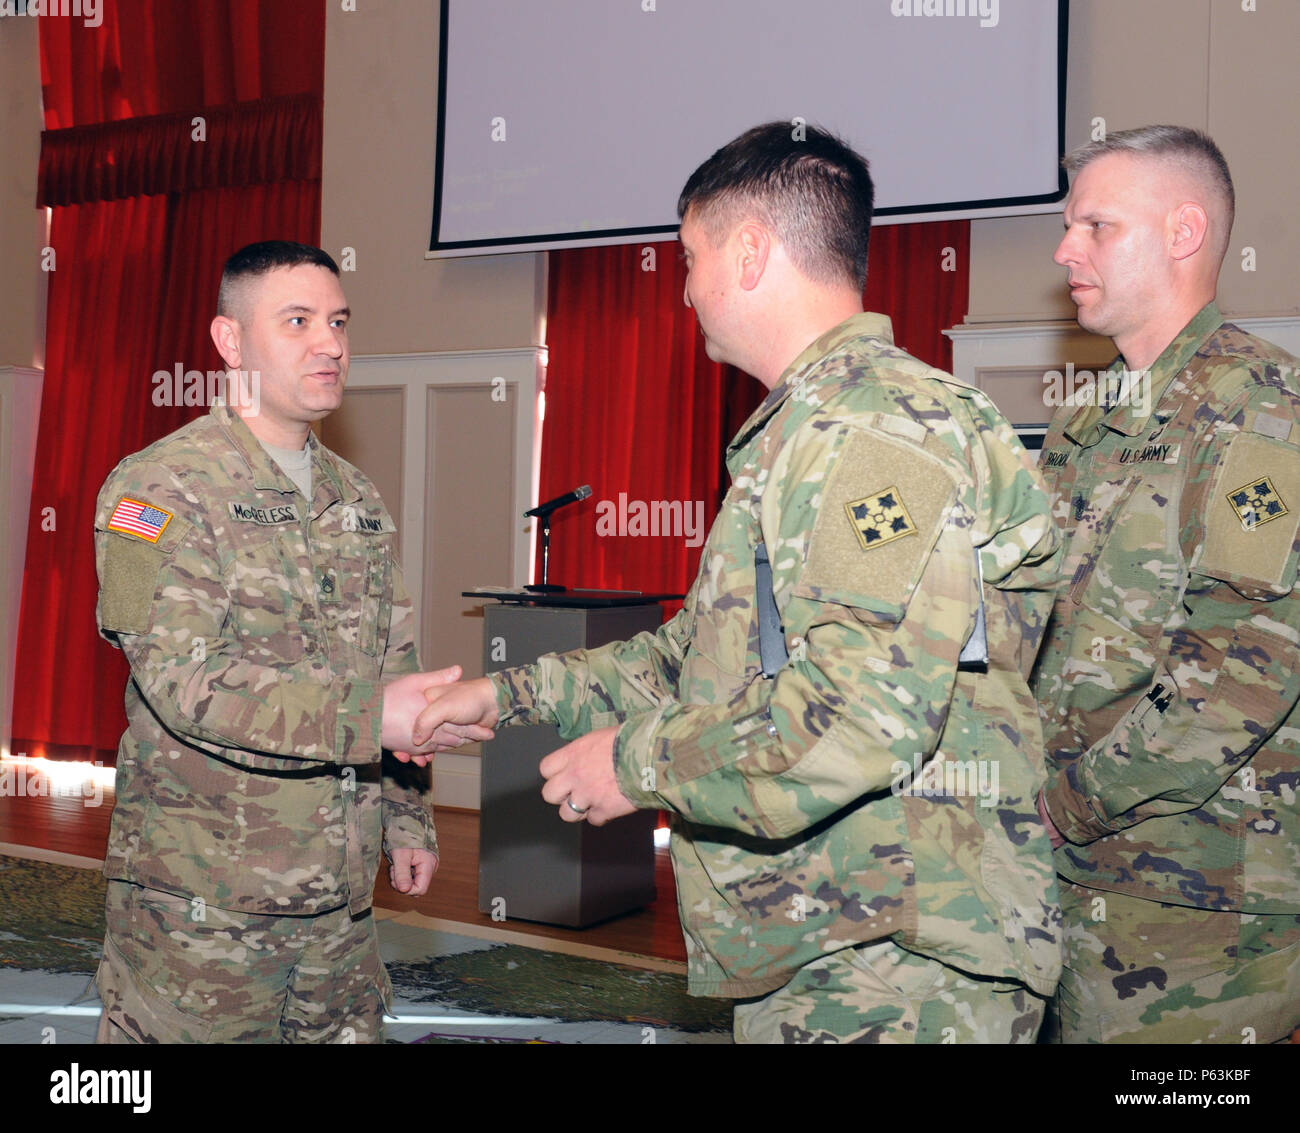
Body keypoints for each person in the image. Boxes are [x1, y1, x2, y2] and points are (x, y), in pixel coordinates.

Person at [408, 123, 1065, 1043]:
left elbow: (859, 715)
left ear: (750, 252)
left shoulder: (866, 431)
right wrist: (506, 692)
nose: (683, 289)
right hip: (838, 932)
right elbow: (701, 659)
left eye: (690, 257)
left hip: (894, 957)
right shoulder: (812, 430)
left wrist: (634, 764)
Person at [92, 241, 490, 1043]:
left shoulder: (357, 497)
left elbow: (394, 665)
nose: (331, 344)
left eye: (339, 321)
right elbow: (178, 678)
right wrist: (367, 718)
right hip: (205, 907)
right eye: (299, 321)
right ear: (231, 342)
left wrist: (409, 818)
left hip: (338, 910)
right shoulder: (154, 490)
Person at [1032, 125, 1300, 1043]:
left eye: (1096, 226)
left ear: (1184, 233)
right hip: (1068, 876)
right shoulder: (1083, 424)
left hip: (1201, 905)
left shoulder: (1262, 409)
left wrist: (1062, 803)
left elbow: (1236, 674)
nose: (1066, 249)